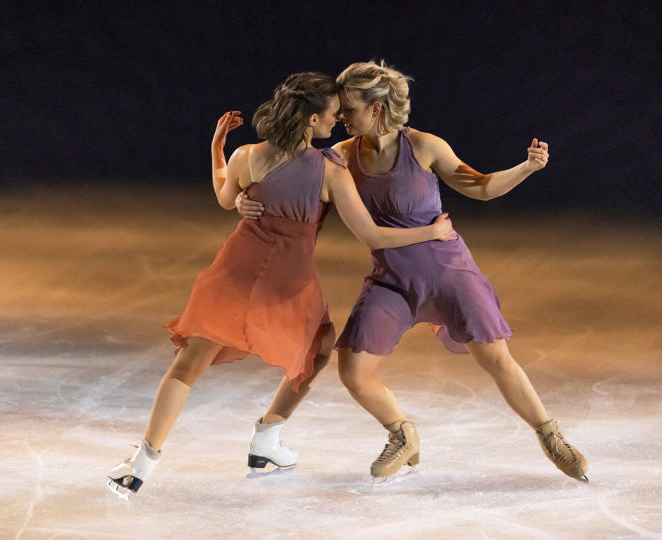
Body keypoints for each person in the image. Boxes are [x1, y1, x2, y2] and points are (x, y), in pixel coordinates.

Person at [106, 71, 456, 499]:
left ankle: (141, 464)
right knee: (320, 348)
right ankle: (267, 438)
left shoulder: (246, 156)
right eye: (332, 114)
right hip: (289, 280)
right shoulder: (330, 169)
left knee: (188, 364)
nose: (339, 120)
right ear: (311, 120)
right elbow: (373, 236)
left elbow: (222, 196)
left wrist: (219, 151)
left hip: (234, 270)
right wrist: (431, 234)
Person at [237, 61, 588, 482]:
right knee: (353, 369)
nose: (342, 117)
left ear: (378, 107)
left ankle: (549, 435)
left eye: (349, 109)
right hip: (392, 281)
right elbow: (288, 179)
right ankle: (403, 434)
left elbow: (480, 186)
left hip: (449, 272)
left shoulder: (424, 146)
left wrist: (526, 167)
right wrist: (244, 200)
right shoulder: (341, 157)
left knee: (496, 357)